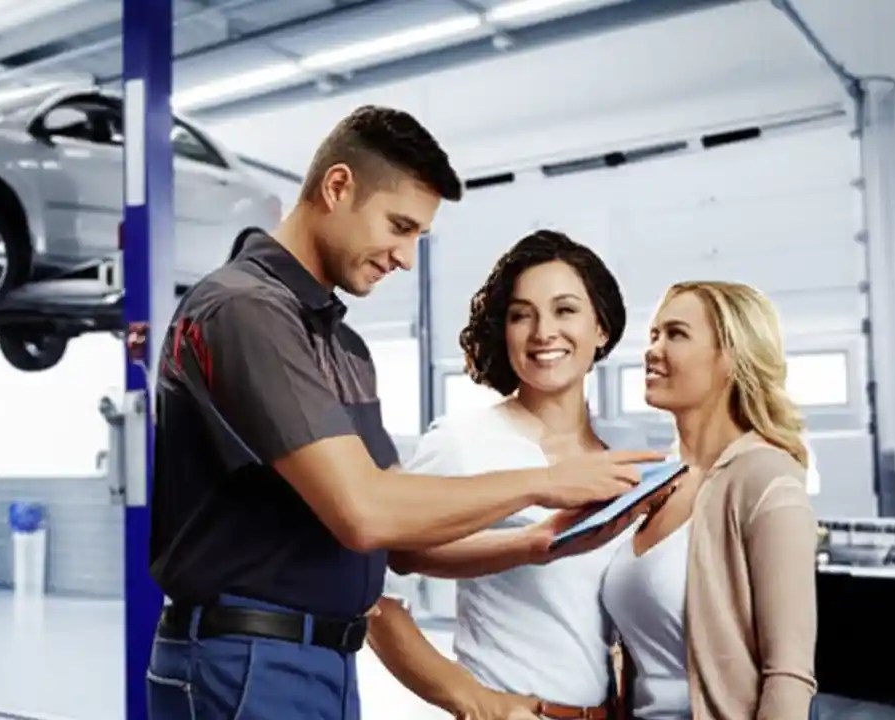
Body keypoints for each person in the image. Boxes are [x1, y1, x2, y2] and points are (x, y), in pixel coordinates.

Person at [145, 106, 664, 720]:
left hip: (320, 660)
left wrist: (535, 543)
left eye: (418, 236)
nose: (406, 258)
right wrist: (547, 483)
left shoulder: (340, 345)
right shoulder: (246, 312)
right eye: (399, 226)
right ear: (338, 187)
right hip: (248, 661)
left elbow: (394, 521)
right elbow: (365, 514)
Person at [367, 231, 673, 720]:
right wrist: (471, 700)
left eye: (565, 310)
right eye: (520, 314)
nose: (542, 331)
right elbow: (375, 596)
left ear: (602, 327)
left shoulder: (623, 463)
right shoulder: (462, 442)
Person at [601, 281, 819, 719]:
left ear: (732, 358)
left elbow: (789, 676)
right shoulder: (659, 481)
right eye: (653, 335)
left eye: (676, 334)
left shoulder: (766, 480)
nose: (653, 350)